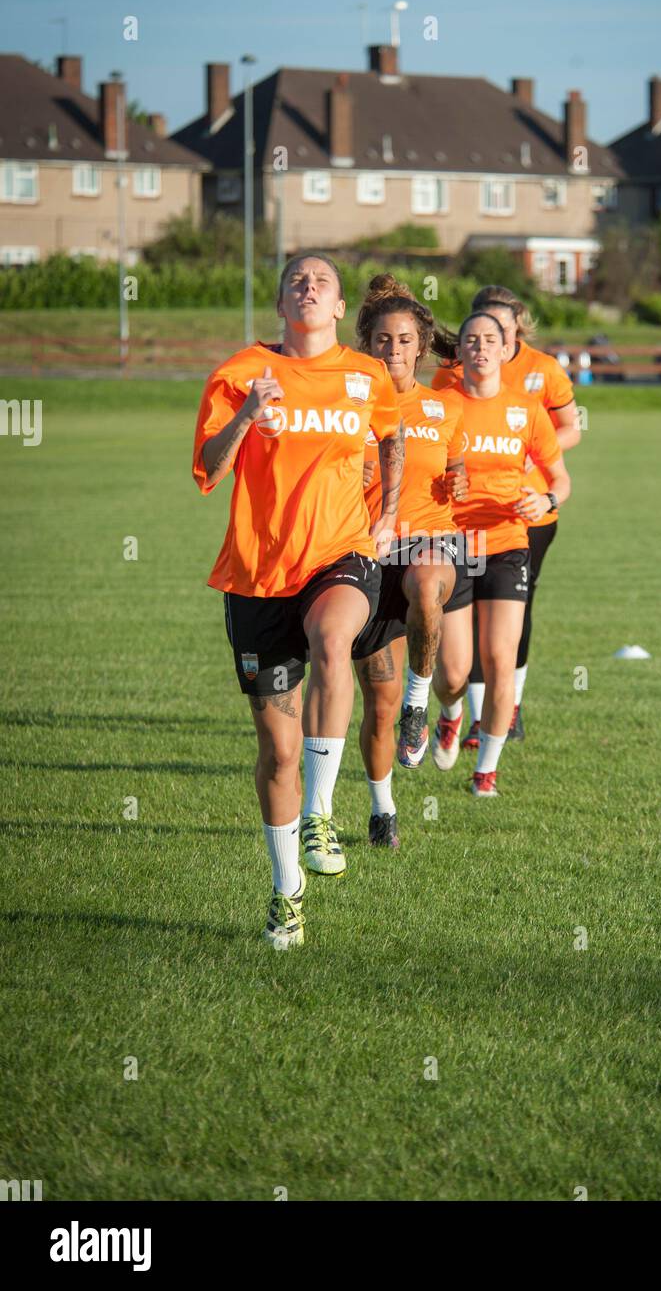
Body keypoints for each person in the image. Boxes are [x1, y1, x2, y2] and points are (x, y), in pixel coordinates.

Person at [192, 253, 403, 948]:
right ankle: (286, 891)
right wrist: (250, 413)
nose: (307, 288)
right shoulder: (238, 372)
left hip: (340, 555)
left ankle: (319, 810)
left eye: (320, 282)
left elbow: (393, 439)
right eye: (294, 281)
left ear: (340, 307)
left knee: (332, 637)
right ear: (280, 303)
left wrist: (389, 515)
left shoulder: (366, 374)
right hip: (255, 575)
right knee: (276, 753)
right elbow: (207, 468)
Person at [432, 286, 581, 748]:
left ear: (514, 330)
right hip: (454, 530)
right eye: (475, 335)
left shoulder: (540, 377)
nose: (485, 344)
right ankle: (463, 711)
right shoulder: (448, 386)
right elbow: (432, 446)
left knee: (512, 618)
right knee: (462, 631)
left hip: (523, 518)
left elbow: (566, 437)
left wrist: (539, 478)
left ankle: (502, 714)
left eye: (499, 331)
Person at [351, 275, 467, 848]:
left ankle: (420, 710)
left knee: (427, 583)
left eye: (403, 340)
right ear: (366, 344)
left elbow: (456, 467)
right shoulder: (350, 407)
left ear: (421, 347)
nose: (392, 350)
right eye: (381, 340)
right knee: (378, 703)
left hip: (432, 539)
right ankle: (382, 810)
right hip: (368, 552)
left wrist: (460, 476)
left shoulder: (443, 408)